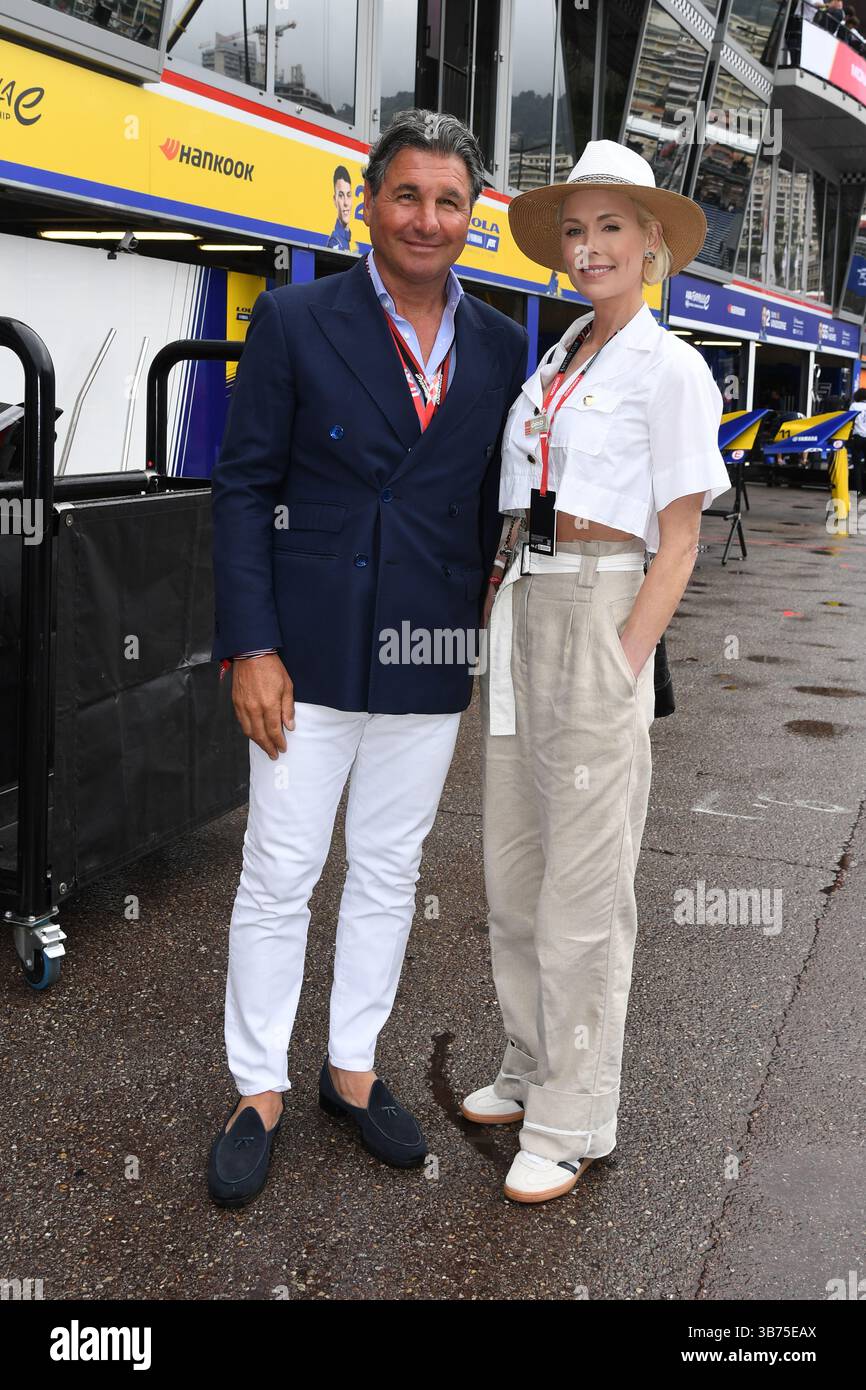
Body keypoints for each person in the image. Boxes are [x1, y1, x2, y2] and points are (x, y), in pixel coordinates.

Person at [207, 110, 527, 1207]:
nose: (426, 219)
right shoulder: (296, 319)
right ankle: (257, 1086)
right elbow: (244, 487)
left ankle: (351, 1067)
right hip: (304, 653)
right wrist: (249, 643)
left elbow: (499, 502)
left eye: (448, 201)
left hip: (426, 655)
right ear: (367, 198)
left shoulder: (498, 341)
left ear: (472, 215)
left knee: (389, 871)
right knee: (280, 874)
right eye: (407, 195)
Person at [460, 139, 733, 1204]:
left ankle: (575, 1117)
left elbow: (677, 542)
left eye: (609, 227)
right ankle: (529, 1065)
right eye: (574, 230)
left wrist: (624, 660)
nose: (586, 247)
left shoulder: (668, 367)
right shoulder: (558, 354)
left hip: (600, 603)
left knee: (582, 885)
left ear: (652, 243)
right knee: (512, 862)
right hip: (525, 598)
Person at [326, 164, 354, 251]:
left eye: (348, 195)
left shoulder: (348, 238)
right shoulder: (335, 241)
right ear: (335, 200)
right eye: (341, 195)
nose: (346, 203)